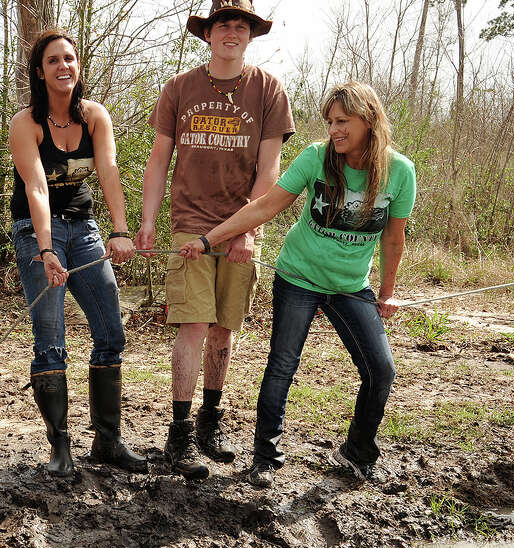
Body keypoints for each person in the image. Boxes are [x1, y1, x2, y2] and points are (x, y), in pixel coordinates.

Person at [177, 81, 416, 488]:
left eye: (343, 121)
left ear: (369, 119)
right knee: (283, 364)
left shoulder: (400, 172)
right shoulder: (316, 157)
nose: (334, 129)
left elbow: (394, 238)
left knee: (381, 369)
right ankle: (265, 457)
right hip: (298, 277)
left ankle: (357, 451)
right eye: (330, 122)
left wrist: (387, 291)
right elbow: (267, 204)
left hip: (349, 285)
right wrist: (207, 240)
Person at [136, 0, 293, 480]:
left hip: (242, 227)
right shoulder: (179, 88)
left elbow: (270, 168)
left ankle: (211, 420)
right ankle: (178, 434)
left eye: (241, 26)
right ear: (207, 33)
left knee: (225, 328)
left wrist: (249, 228)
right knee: (193, 325)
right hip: (189, 222)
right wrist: (146, 220)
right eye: (223, 24)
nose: (231, 32)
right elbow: (159, 159)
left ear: (250, 36)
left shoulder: (268, 90)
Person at [9, 28, 146, 478]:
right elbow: (36, 187)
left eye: (70, 58)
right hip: (36, 229)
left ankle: (108, 442)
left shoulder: (94, 117)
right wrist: (46, 249)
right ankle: (60, 447)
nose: (63, 66)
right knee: (51, 339)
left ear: (78, 66)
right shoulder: (25, 123)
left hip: (85, 228)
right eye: (53, 60)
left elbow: (108, 170)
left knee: (110, 329)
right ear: (39, 71)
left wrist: (121, 231)